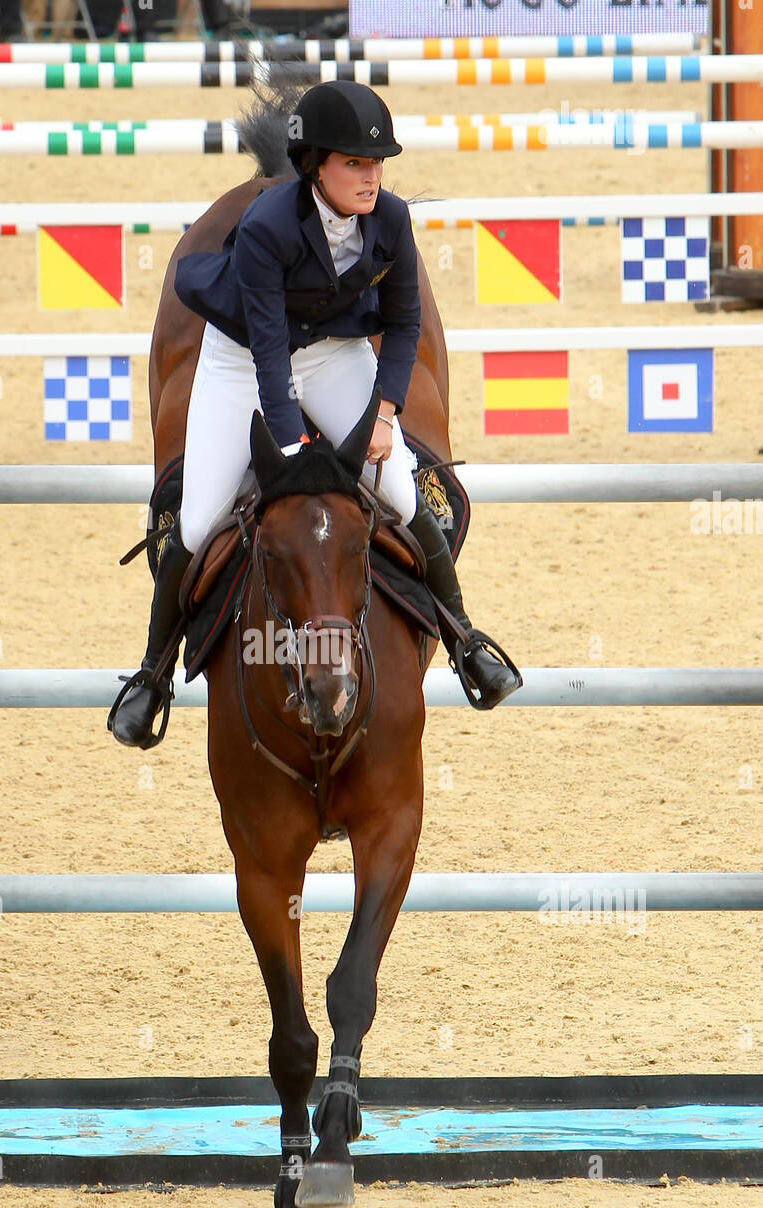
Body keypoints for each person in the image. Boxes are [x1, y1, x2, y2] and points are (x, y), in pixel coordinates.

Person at [111, 80, 520, 749]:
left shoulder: (389, 220)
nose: (371, 177)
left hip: (333, 351)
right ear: (313, 168)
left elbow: (405, 321)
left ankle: (464, 636)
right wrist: (294, 449)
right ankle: (152, 676)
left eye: (377, 163)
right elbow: (270, 359)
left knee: (403, 490)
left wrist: (385, 415)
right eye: (354, 163)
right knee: (198, 517)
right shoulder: (270, 225)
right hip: (242, 357)